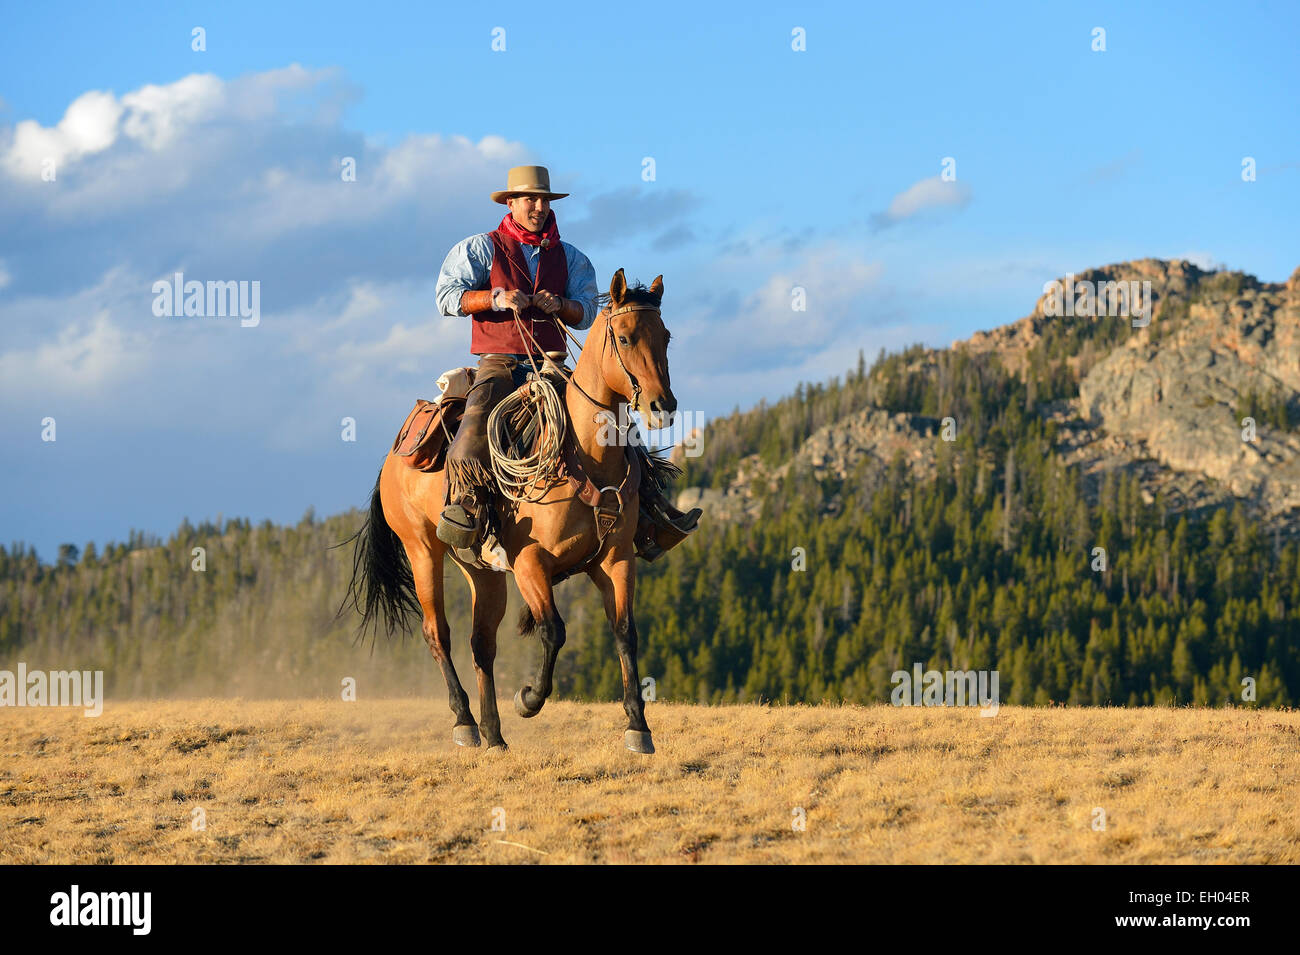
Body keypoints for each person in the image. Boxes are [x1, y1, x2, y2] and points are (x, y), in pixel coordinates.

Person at [433, 165, 599, 549]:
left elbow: (588, 311)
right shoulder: (480, 248)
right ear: (511, 203)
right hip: (500, 361)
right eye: (531, 199)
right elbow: (445, 297)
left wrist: (560, 304)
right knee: (473, 426)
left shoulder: (571, 258)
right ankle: (466, 506)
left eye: (544, 200)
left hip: (552, 362)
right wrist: (494, 298)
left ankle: (646, 506)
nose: (539, 207)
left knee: (607, 419)